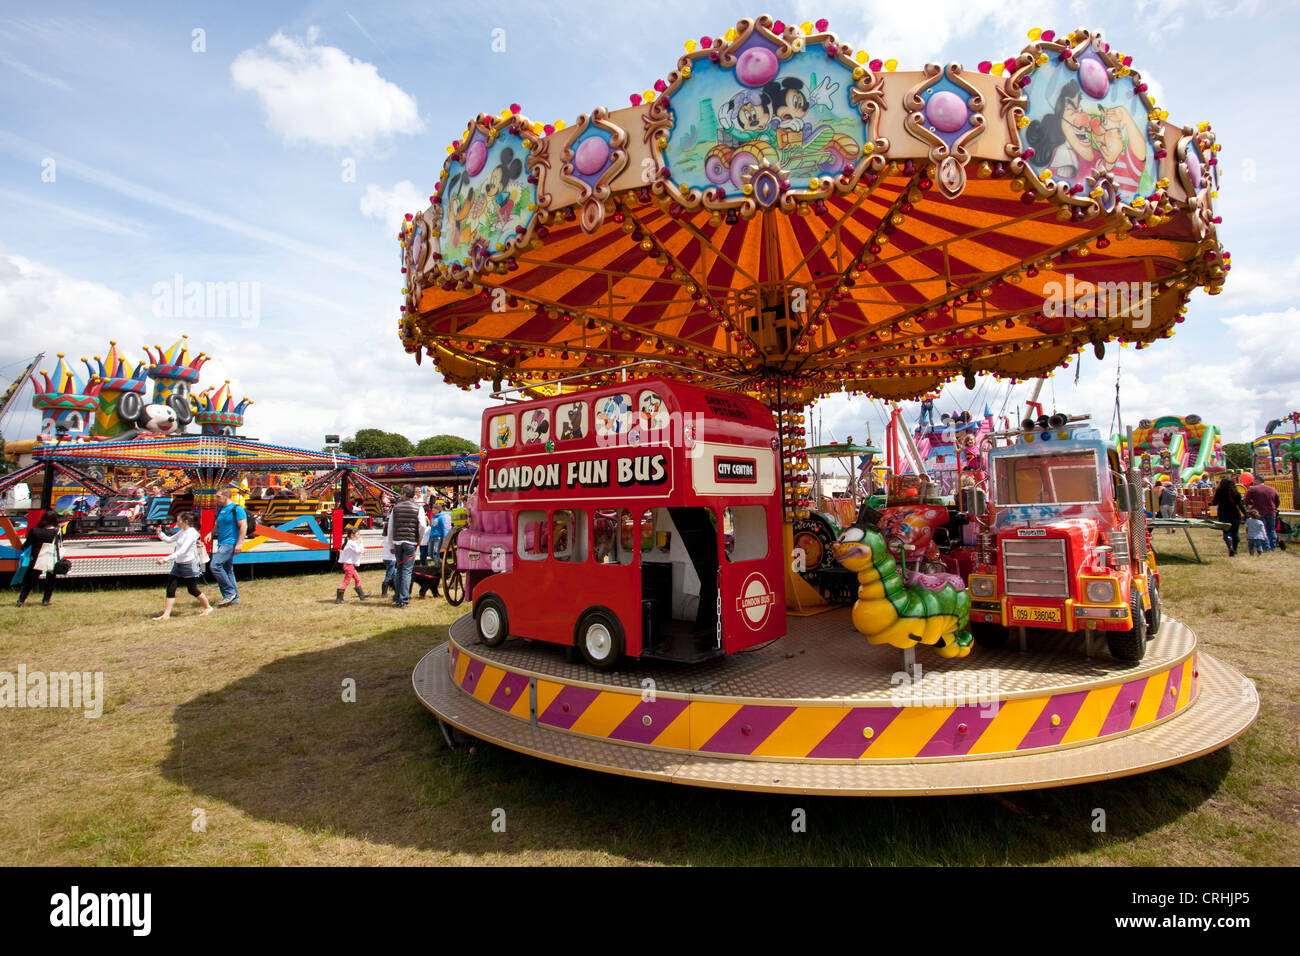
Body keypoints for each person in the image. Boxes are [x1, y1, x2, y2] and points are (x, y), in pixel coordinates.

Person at [153, 511, 213, 619]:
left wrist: (166, 559)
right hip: (178, 564)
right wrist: (160, 533)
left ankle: (208, 607)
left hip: (189, 565)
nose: (176, 522)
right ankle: (166, 615)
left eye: (178, 520)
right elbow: (169, 540)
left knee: (192, 589)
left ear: (185, 522)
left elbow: (182, 551)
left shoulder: (191, 534)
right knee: (171, 588)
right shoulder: (182, 531)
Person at [385, 487, 427, 608]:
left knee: (399, 569)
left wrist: (391, 544)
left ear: (404, 494)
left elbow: (391, 526)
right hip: (410, 542)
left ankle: (398, 597)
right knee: (407, 571)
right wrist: (419, 540)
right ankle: (403, 599)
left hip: (398, 541)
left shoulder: (396, 508)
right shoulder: (418, 508)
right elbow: (423, 526)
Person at [16, 511, 61, 607]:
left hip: (36, 558)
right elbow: (58, 546)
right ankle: (45, 600)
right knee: (50, 580)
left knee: (30, 580)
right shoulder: (56, 532)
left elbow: (26, 545)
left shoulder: (34, 530)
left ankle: (21, 600)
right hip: (49, 558)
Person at [211, 489, 247, 606]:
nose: (216, 499)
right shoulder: (221, 510)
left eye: (218, 497)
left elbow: (243, 526)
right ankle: (234, 598)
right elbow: (217, 525)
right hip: (222, 542)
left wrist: (239, 543)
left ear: (226, 496)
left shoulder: (237, 509)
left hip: (230, 542)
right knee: (228, 570)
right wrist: (209, 534)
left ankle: (229, 592)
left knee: (215, 565)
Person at [1211, 476, 1246, 556]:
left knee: (1226, 532)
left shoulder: (1219, 492)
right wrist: (1245, 514)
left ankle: (1230, 547)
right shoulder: (1236, 493)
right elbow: (1240, 505)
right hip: (1235, 514)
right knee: (1235, 532)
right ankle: (1235, 549)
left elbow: (1215, 503)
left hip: (1223, 514)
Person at [1244, 475, 1281, 551]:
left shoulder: (1252, 489)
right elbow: (1277, 501)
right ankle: (1273, 546)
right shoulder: (1272, 489)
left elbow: (1246, 501)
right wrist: (1274, 508)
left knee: (1262, 530)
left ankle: (1266, 547)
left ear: (1257, 480)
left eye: (1254, 480)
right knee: (1271, 530)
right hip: (1271, 512)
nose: (1253, 482)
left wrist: (1253, 503)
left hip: (1259, 512)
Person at [337, 528, 367, 603]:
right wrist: (361, 543)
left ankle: (361, 595)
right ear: (352, 535)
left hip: (350, 565)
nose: (359, 536)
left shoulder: (351, 542)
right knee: (346, 581)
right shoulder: (351, 543)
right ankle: (339, 598)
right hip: (349, 565)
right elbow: (358, 550)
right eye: (358, 534)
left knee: (357, 579)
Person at [426, 499, 452, 568]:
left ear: (438, 510)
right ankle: (440, 562)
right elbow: (432, 528)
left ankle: (437, 566)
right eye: (432, 508)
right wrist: (429, 538)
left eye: (434, 509)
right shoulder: (432, 517)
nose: (432, 510)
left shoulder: (441, 517)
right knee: (430, 553)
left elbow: (443, 528)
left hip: (438, 537)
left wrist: (444, 538)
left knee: (435, 552)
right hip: (432, 537)